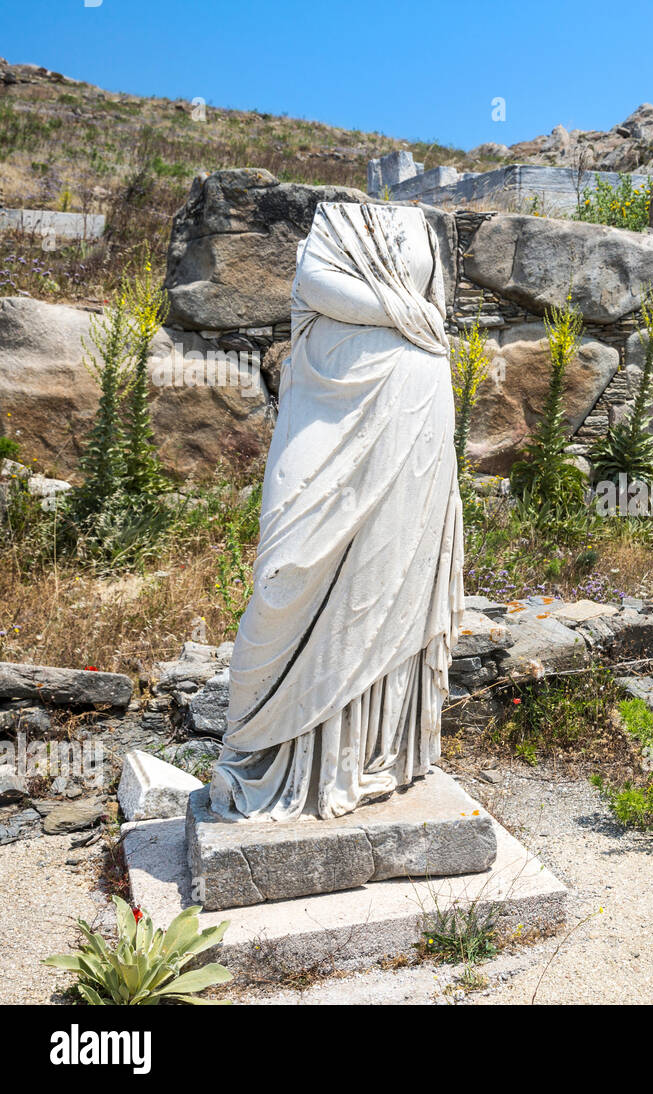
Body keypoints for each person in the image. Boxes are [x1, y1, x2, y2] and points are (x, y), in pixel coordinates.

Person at [210, 202, 464, 821]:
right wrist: (413, 315)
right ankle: (262, 747)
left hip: (414, 413)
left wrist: (416, 320)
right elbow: (319, 285)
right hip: (329, 409)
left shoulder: (422, 231)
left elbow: (431, 311)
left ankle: (368, 754)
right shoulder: (328, 233)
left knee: (391, 578)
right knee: (284, 573)